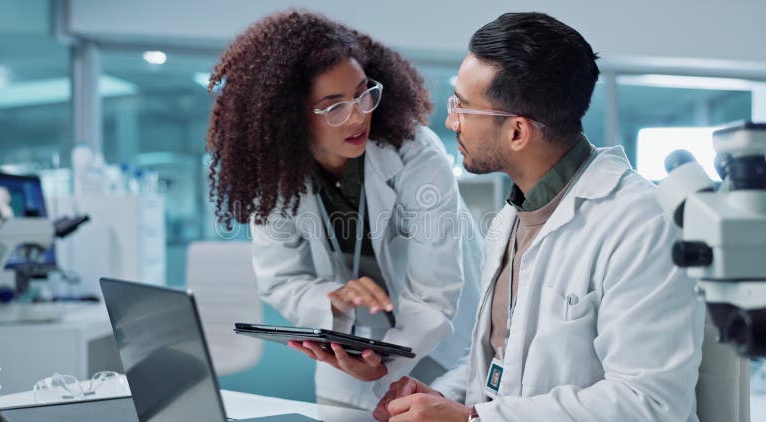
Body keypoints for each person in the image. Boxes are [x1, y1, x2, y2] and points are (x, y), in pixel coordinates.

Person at [373, 12, 704, 422]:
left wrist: (470, 418)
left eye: (464, 106)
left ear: (517, 132)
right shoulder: (510, 220)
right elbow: (500, 368)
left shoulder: (642, 224)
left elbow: (649, 403)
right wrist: (439, 396)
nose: (450, 120)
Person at [205, 10, 481, 410]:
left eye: (363, 92)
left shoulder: (414, 154)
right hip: (350, 355)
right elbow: (281, 280)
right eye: (334, 106)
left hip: (445, 344)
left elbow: (434, 293)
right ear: (289, 118)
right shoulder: (277, 177)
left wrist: (384, 363)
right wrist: (333, 300)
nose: (358, 115)